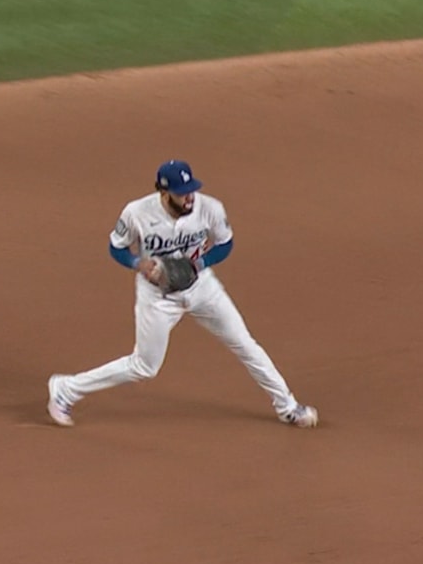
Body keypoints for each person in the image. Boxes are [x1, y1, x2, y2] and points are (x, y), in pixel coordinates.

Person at [46, 159, 318, 430]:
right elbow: (116, 247)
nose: (189, 197)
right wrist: (137, 263)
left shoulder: (210, 208)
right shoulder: (136, 212)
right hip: (158, 296)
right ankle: (66, 389)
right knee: (145, 367)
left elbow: (225, 243)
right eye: (182, 193)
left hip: (202, 288)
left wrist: (199, 263)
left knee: (245, 344)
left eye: (191, 190)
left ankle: (288, 407)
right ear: (164, 193)